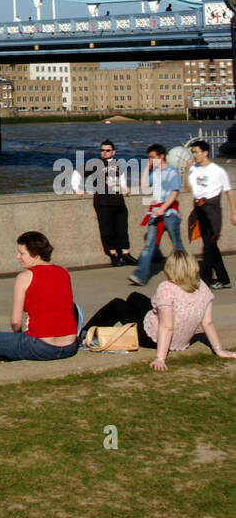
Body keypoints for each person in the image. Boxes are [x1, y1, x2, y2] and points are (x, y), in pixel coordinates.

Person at [82, 250, 236, 370]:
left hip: (153, 337)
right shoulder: (202, 287)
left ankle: (84, 332)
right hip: (181, 340)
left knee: (117, 304)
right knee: (135, 296)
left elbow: (167, 326)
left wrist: (160, 358)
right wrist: (219, 350)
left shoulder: (167, 288)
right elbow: (207, 322)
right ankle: (91, 329)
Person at [0, 231, 79, 363]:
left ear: (35, 255)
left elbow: (16, 322)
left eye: (22, 253)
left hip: (41, 347)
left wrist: (18, 336)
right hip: (70, 346)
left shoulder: (25, 277)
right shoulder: (63, 272)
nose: (18, 257)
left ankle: (9, 355)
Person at [129, 144, 184, 288]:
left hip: (170, 213)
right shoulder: (156, 173)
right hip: (156, 213)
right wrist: (148, 167)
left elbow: (174, 193)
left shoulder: (172, 172)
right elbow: (144, 185)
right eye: (149, 157)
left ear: (162, 156)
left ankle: (184, 272)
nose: (151, 159)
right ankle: (141, 275)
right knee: (149, 245)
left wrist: (163, 208)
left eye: (153, 157)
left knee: (177, 245)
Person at [185, 140, 236, 290]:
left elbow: (229, 192)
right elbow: (188, 188)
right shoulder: (194, 169)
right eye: (193, 152)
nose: (194, 155)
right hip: (199, 209)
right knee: (211, 245)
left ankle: (205, 279)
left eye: (197, 152)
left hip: (212, 210)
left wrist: (234, 212)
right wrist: (187, 171)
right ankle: (224, 279)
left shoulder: (217, 170)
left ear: (205, 153)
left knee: (208, 246)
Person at [76, 138, 134, 266]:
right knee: (107, 231)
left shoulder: (119, 165)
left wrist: (125, 187)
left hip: (119, 202)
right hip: (102, 203)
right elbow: (77, 173)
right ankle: (114, 255)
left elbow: (122, 180)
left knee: (122, 230)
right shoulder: (95, 163)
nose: (104, 152)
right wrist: (78, 188)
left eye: (108, 150)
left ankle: (126, 254)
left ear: (114, 152)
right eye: (102, 150)